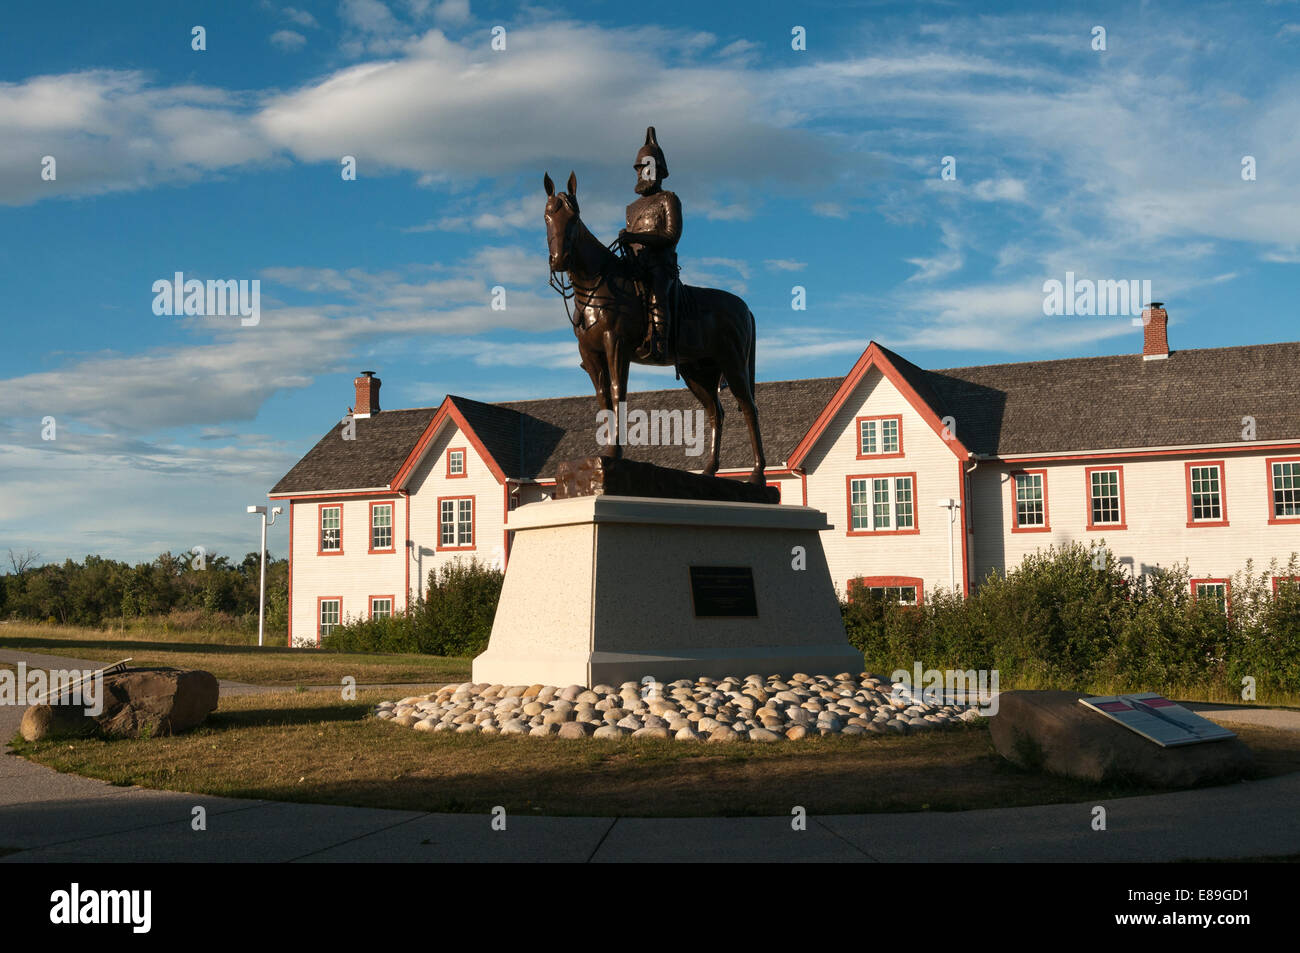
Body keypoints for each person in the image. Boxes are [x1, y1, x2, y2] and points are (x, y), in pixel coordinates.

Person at [618, 127, 682, 362]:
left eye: (645, 167)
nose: (641, 173)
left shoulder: (669, 199)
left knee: (657, 292)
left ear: (658, 171)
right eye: (638, 168)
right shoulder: (631, 208)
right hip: (635, 265)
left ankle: (659, 342)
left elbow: (671, 235)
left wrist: (635, 238)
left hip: (659, 264)